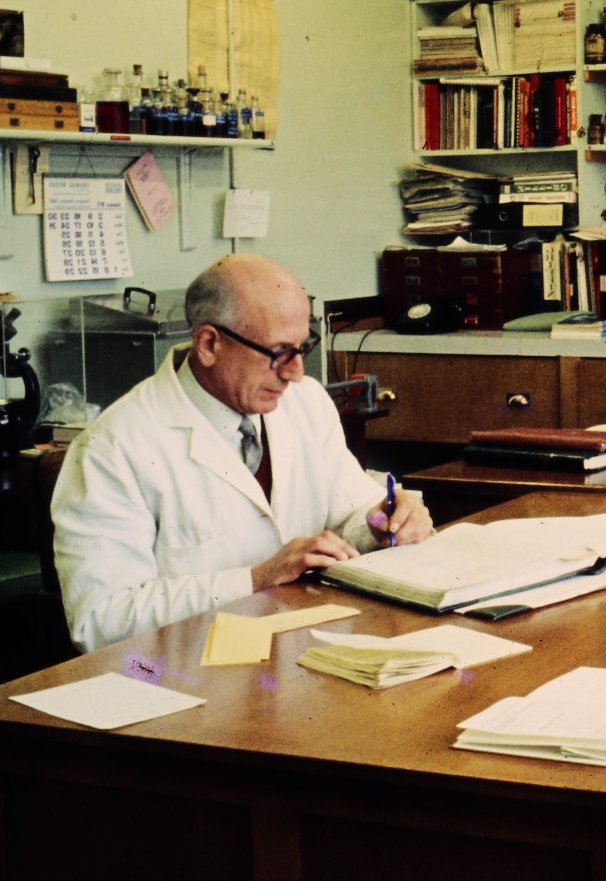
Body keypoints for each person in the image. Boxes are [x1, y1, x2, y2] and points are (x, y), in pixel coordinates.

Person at [52, 254, 433, 651]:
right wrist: (254, 580)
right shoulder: (111, 448)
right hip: (188, 687)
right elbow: (100, 621)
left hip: (303, 666)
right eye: (279, 352)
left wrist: (380, 522)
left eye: (305, 347)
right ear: (209, 344)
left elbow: (351, 511)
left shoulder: (305, 402)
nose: (297, 372)